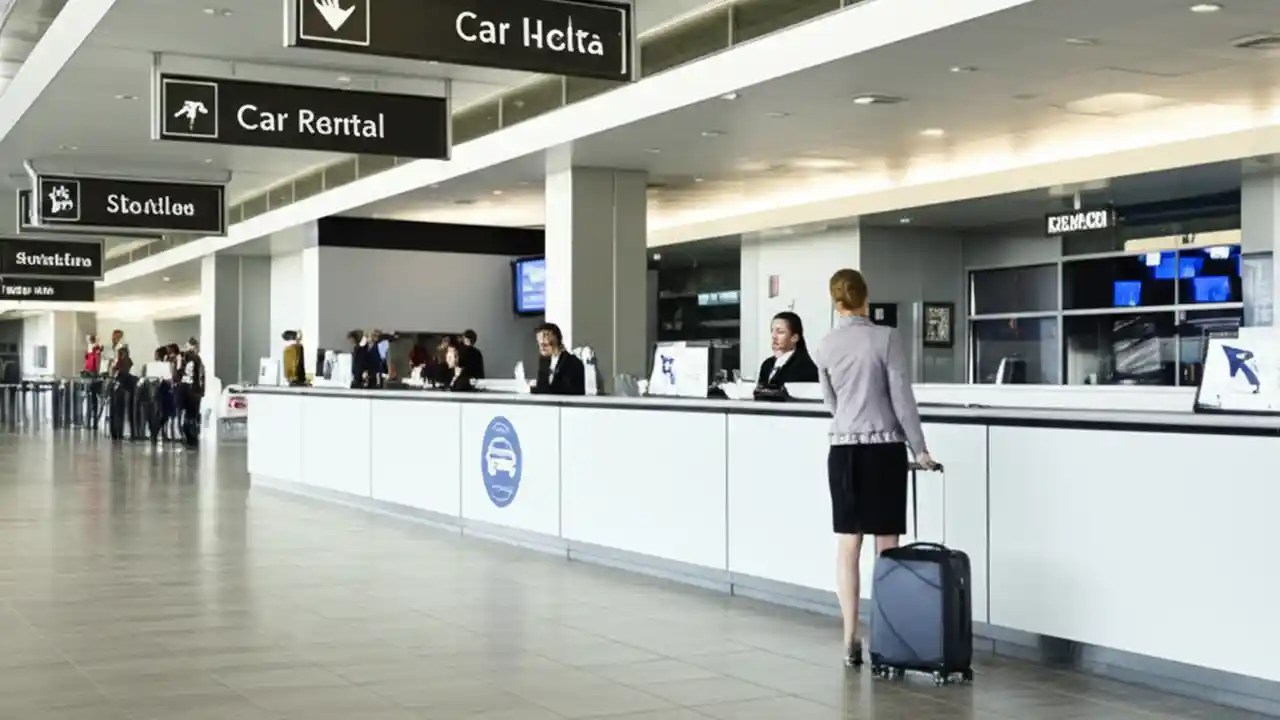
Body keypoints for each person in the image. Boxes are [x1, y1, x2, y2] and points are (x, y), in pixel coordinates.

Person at [813, 268, 938, 669]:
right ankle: (888, 636)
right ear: (866, 297)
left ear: (836, 302)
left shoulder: (825, 345)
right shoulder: (886, 338)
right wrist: (919, 449)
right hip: (884, 450)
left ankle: (850, 638)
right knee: (888, 544)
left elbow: (830, 402)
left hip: (844, 451)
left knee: (849, 543)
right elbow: (902, 397)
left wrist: (851, 419)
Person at [756, 311, 818, 391]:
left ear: (794, 338)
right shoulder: (767, 365)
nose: (774, 336)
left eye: (780, 332)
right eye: (772, 331)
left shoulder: (805, 368)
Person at [532, 323, 585, 396]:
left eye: (544, 344)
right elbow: (542, 388)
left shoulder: (572, 362)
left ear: (555, 340)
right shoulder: (544, 362)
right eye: (539, 344)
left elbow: (568, 391)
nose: (541, 348)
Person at [175, 338, 205, 449]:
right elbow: (200, 377)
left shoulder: (182, 358)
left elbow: (177, 374)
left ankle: (187, 437)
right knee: (191, 415)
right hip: (192, 390)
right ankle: (190, 437)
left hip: (186, 388)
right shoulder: (197, 359)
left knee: (186, 415)